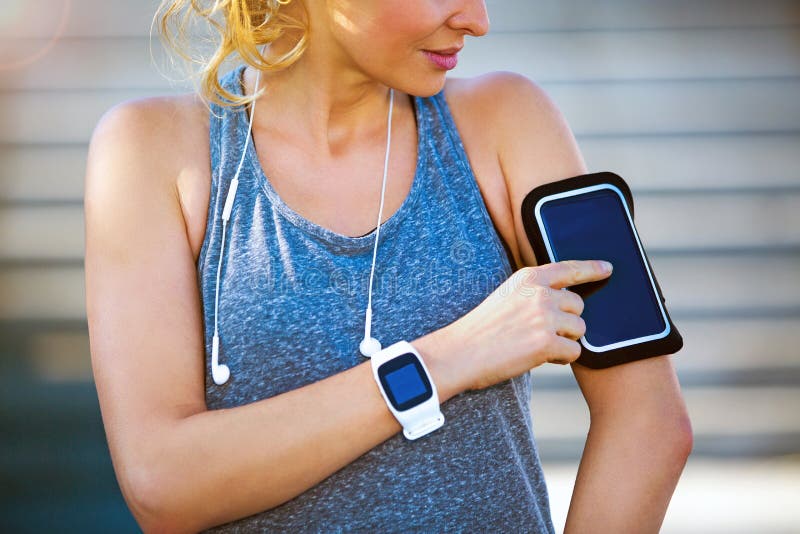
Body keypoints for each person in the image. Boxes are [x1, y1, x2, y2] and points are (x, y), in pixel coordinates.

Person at [84, 0, 693, 532]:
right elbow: (162, 487)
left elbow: (650, 419)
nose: (477, 19)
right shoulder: (149, 153)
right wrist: (448, 359)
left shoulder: (514, 121)